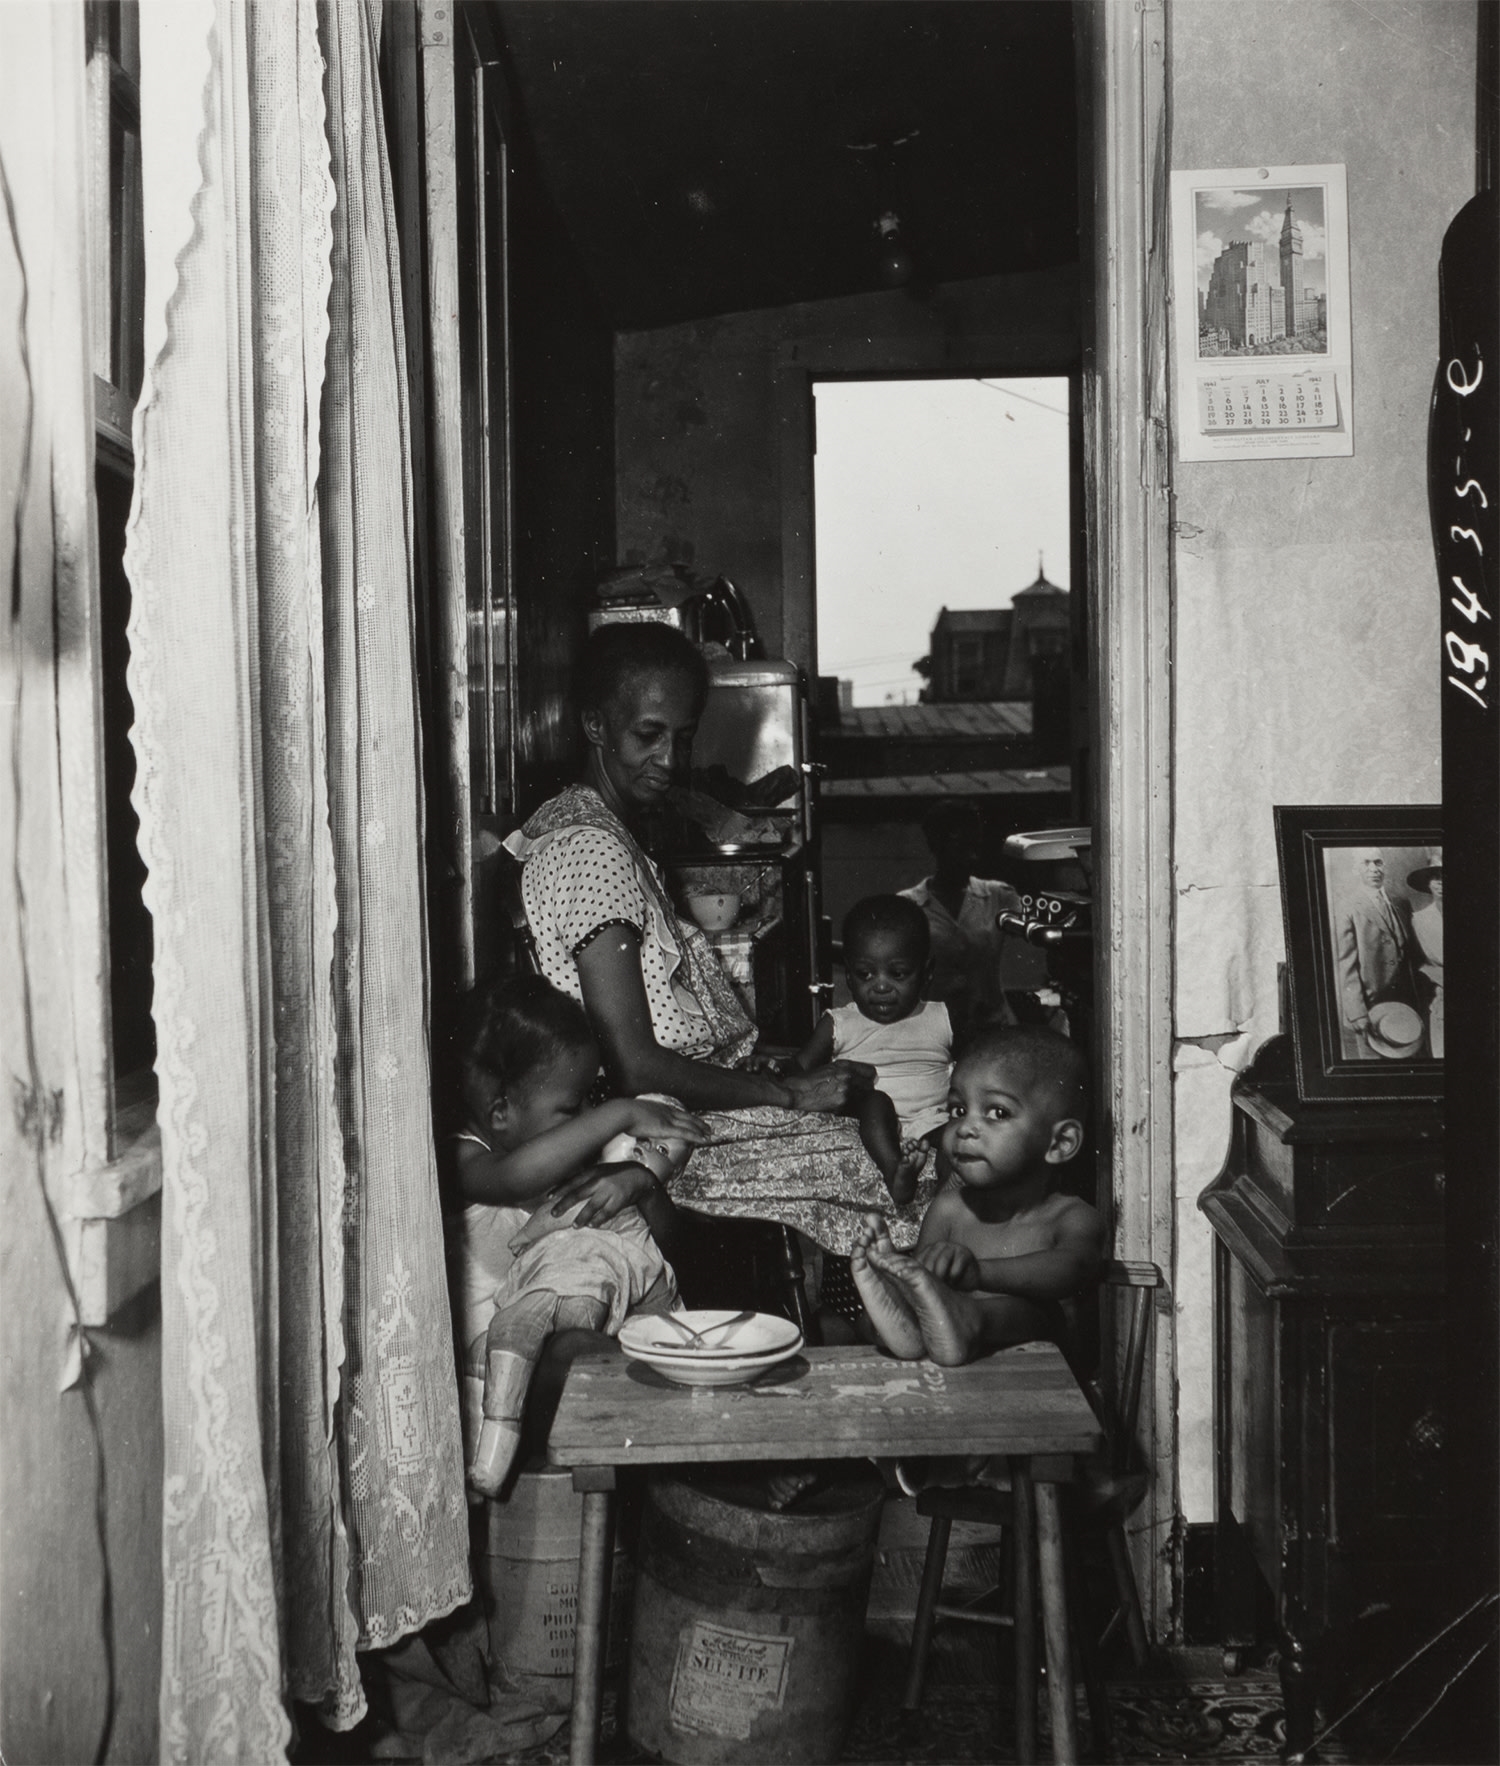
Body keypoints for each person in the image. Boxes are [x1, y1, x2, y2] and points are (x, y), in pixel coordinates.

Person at [503, 622, 936, 1259]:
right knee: (917, 1176)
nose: (671, 761)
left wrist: (781, 1071)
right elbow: (634, 1063)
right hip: (666, 1136)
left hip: (685, 1105)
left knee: (893, 1121)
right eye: (647, 735)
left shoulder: (597, 828)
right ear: (595, 725)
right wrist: (788, 1092)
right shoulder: (591, 850)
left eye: (683, 737)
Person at [444, 974, 708, 1496]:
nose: (586, 1121)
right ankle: (719, 1465)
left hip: (579, 1338)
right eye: (573, 1107)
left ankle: (725, 1454)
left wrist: (643, 1185)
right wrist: (622, 1112)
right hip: (497, 1377)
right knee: (590, 1355)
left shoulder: (566, 1160)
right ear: (500, 1113)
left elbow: (665, 1256)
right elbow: (517, 1177)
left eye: (592, 1101)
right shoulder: (462, 1158)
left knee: (670, 1333)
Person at [850, 1025, 1106, 1367]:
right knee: (888, 1313)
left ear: (1059, 1144)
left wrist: (978, 1274)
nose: (966, 1128)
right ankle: (904, 1325)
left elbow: (1073, 1269)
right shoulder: (950, 1209)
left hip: (1041, 1380)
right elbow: (928, 1285)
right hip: (961, 1376)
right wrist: (903, 1279)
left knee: (1034, 1312)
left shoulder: (1072, 1217)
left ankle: (970, 1319)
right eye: (957, 1109)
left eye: (997, 1112)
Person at [791, 895, 951, 1206]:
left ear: (927, 972)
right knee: (876, 1101)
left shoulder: (941, 1017)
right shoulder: (840, 1023)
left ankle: (951, 1201)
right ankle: (895, 1172)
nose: (880, 986)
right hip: (871, 1122)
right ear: (848, 975)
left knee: (958, 1135)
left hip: (932, 1120)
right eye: (866, 974)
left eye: (898, 974)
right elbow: (801, 1068)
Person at [898, 799, 1034, 1040]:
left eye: (975, 847)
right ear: (935, 845)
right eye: (960, 846)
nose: (971, 857)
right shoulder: (908, 906)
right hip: (931, 1035)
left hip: (990, 1031)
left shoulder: (999, 896)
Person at [1333, 848, 1419, 1057]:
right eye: (1366, 863)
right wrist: (1357, 1013)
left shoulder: (1401, 904)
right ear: (1356, 869)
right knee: (1377, 1071)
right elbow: (1346, 964)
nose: (1374, 869)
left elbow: (1411, 955)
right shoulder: (1348, 907)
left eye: (1378, 863)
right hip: (1371, 1009)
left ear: (1385, 867)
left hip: (1406, 1006)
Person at [1408, 852, 1444, 1058]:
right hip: (1440, 994)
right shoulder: (1420, 920)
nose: (1440, 882)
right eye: (1435, 877)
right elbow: (1420, 962)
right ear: (1428, 884)